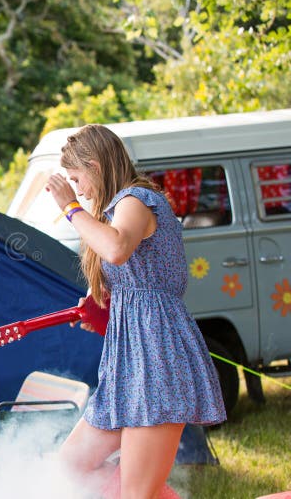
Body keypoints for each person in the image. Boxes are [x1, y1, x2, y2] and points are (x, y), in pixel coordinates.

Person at [45, 124, 226, 498]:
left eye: (78, 179)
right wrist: (106, 310)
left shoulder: (136, 200)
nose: (78, 189)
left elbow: (116, 250)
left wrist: (70, 207)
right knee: (70, 467)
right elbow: (138, 283)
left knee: (138, 493)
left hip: (158, 361)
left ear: (94, 165)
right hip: (128, 366)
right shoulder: (118, 208)